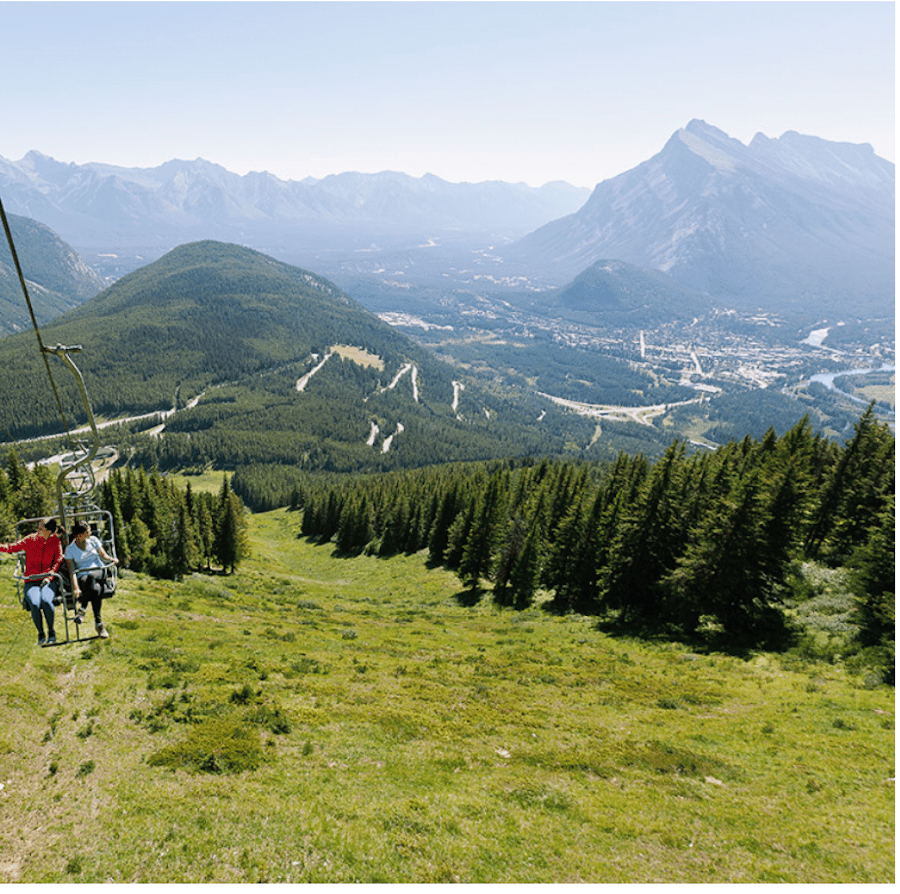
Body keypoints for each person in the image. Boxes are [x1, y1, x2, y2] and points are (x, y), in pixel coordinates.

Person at [0, 518, 64, 645]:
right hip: (31, 580)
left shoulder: (55, 541)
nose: (37, 530)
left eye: (41, 528)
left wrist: (50, 576)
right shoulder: (30, 539)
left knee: (46, 601)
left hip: (47, 580)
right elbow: (12, 547)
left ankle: (51, 632)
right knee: (35, 603)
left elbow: (58, 559)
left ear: (48, 531)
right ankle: (41, 634)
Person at [65, 521, 118, 639]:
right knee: (96, 589)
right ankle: (99, 624)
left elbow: (104, 555)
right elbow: (72, 571)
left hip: (99, 570)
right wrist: (76, 588)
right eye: (87, 532)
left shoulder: (93, 540)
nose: (90, 533)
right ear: (80, 535)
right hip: (83, 575)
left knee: (92, 577)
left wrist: (112, 559)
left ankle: (82, 609)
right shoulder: (70, 549)